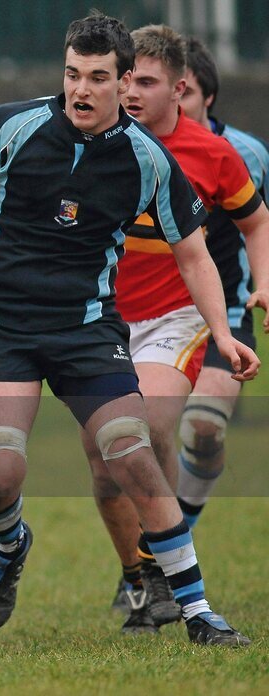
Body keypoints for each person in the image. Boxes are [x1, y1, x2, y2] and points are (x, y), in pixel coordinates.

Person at [0, 12, 256, 646]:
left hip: (88, 334)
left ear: (124, 81)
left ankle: (197, 612)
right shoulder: (12, 126)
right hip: (5, 328)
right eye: (72, 74)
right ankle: (10, 551)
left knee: (132, 452)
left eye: (98, 78)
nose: (81, 90)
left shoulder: (148, 159)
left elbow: (194, 252)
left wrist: (221, 332)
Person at [88, 24, 269, 635]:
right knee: (103, 459)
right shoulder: (93, 141)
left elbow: (256, 222)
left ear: (179, 87)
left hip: (179, 318)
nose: (131, 91)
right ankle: (141, 579)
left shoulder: (215, 154)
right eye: (126, 78)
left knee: (144, 428)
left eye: (146, 81)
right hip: (102, 320)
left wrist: (262, 282)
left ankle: (165, 567)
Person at [173, 36, 269, 526]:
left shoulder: (245, 153)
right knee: (128, 445)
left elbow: (261, 226)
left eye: (183, 92)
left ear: (206, 96)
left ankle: (167, 549)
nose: (174, 102)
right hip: (141, 319)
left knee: (205, 429)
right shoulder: (135, 149)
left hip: (223, 314)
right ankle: (146, 564)